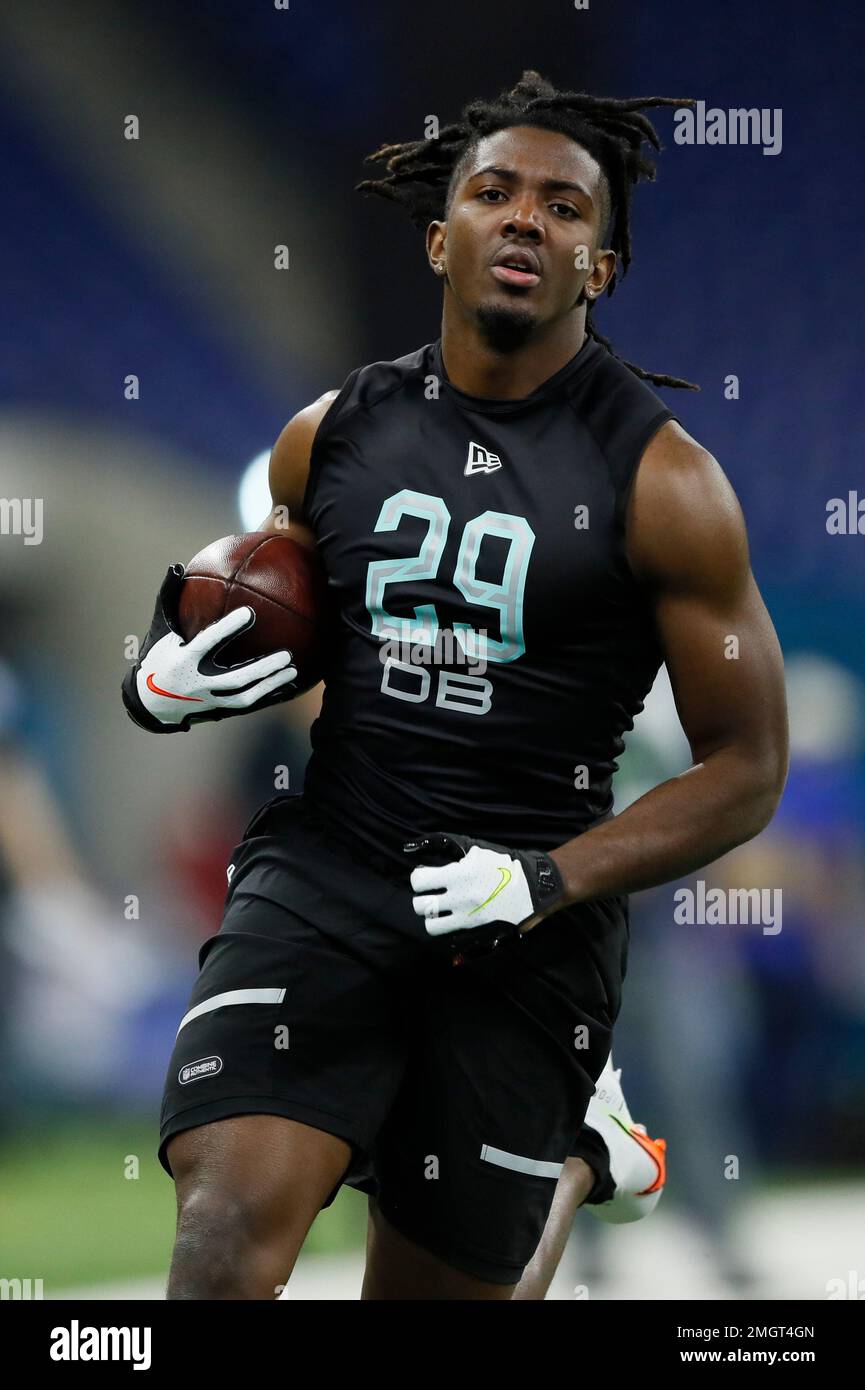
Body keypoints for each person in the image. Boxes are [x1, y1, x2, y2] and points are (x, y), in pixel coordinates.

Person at [122, 71, 787, 1300]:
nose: (526, 219)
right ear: (442, 236)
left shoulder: (667, 484)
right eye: (494, 192)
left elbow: (747, 766)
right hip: (333, 867)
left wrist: (542, 880)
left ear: (604, 264)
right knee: (217, 1248)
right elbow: (294, 628)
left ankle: (581, 1143)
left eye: (565, 206)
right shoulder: (326, 435)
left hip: (530, 907)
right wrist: (164, 681)